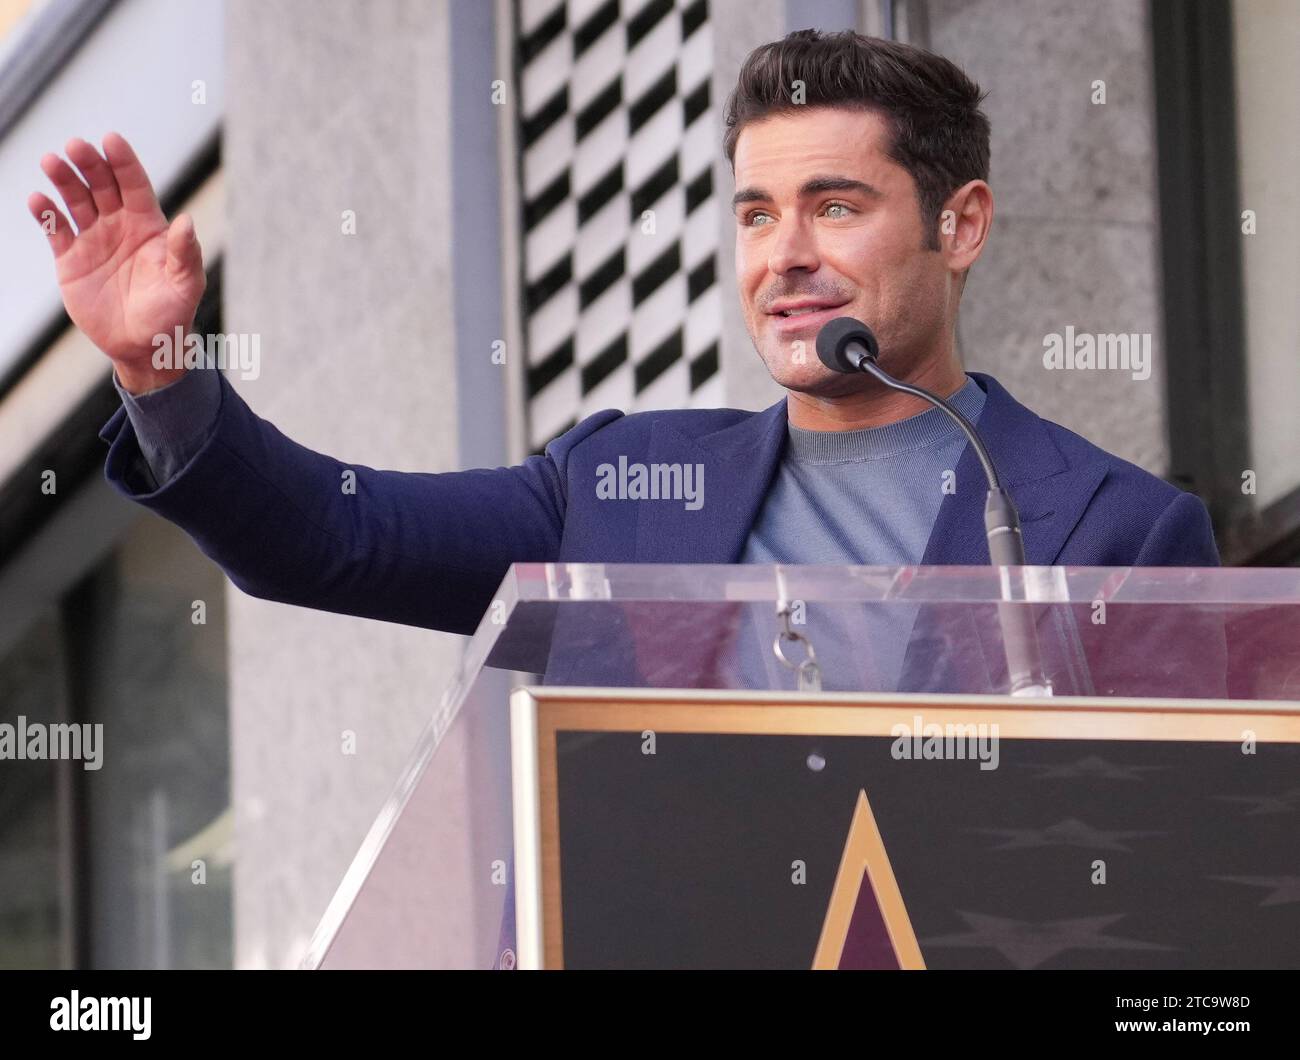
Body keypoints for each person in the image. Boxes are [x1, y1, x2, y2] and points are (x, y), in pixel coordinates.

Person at [26, 30, 1219, 646]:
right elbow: (327, 537)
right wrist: (158, 368)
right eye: (755, 214)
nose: (782, 255)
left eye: (835, 207)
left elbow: (1183, 867)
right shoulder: (617, 487)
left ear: (958, 226)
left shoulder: (1122, 530)